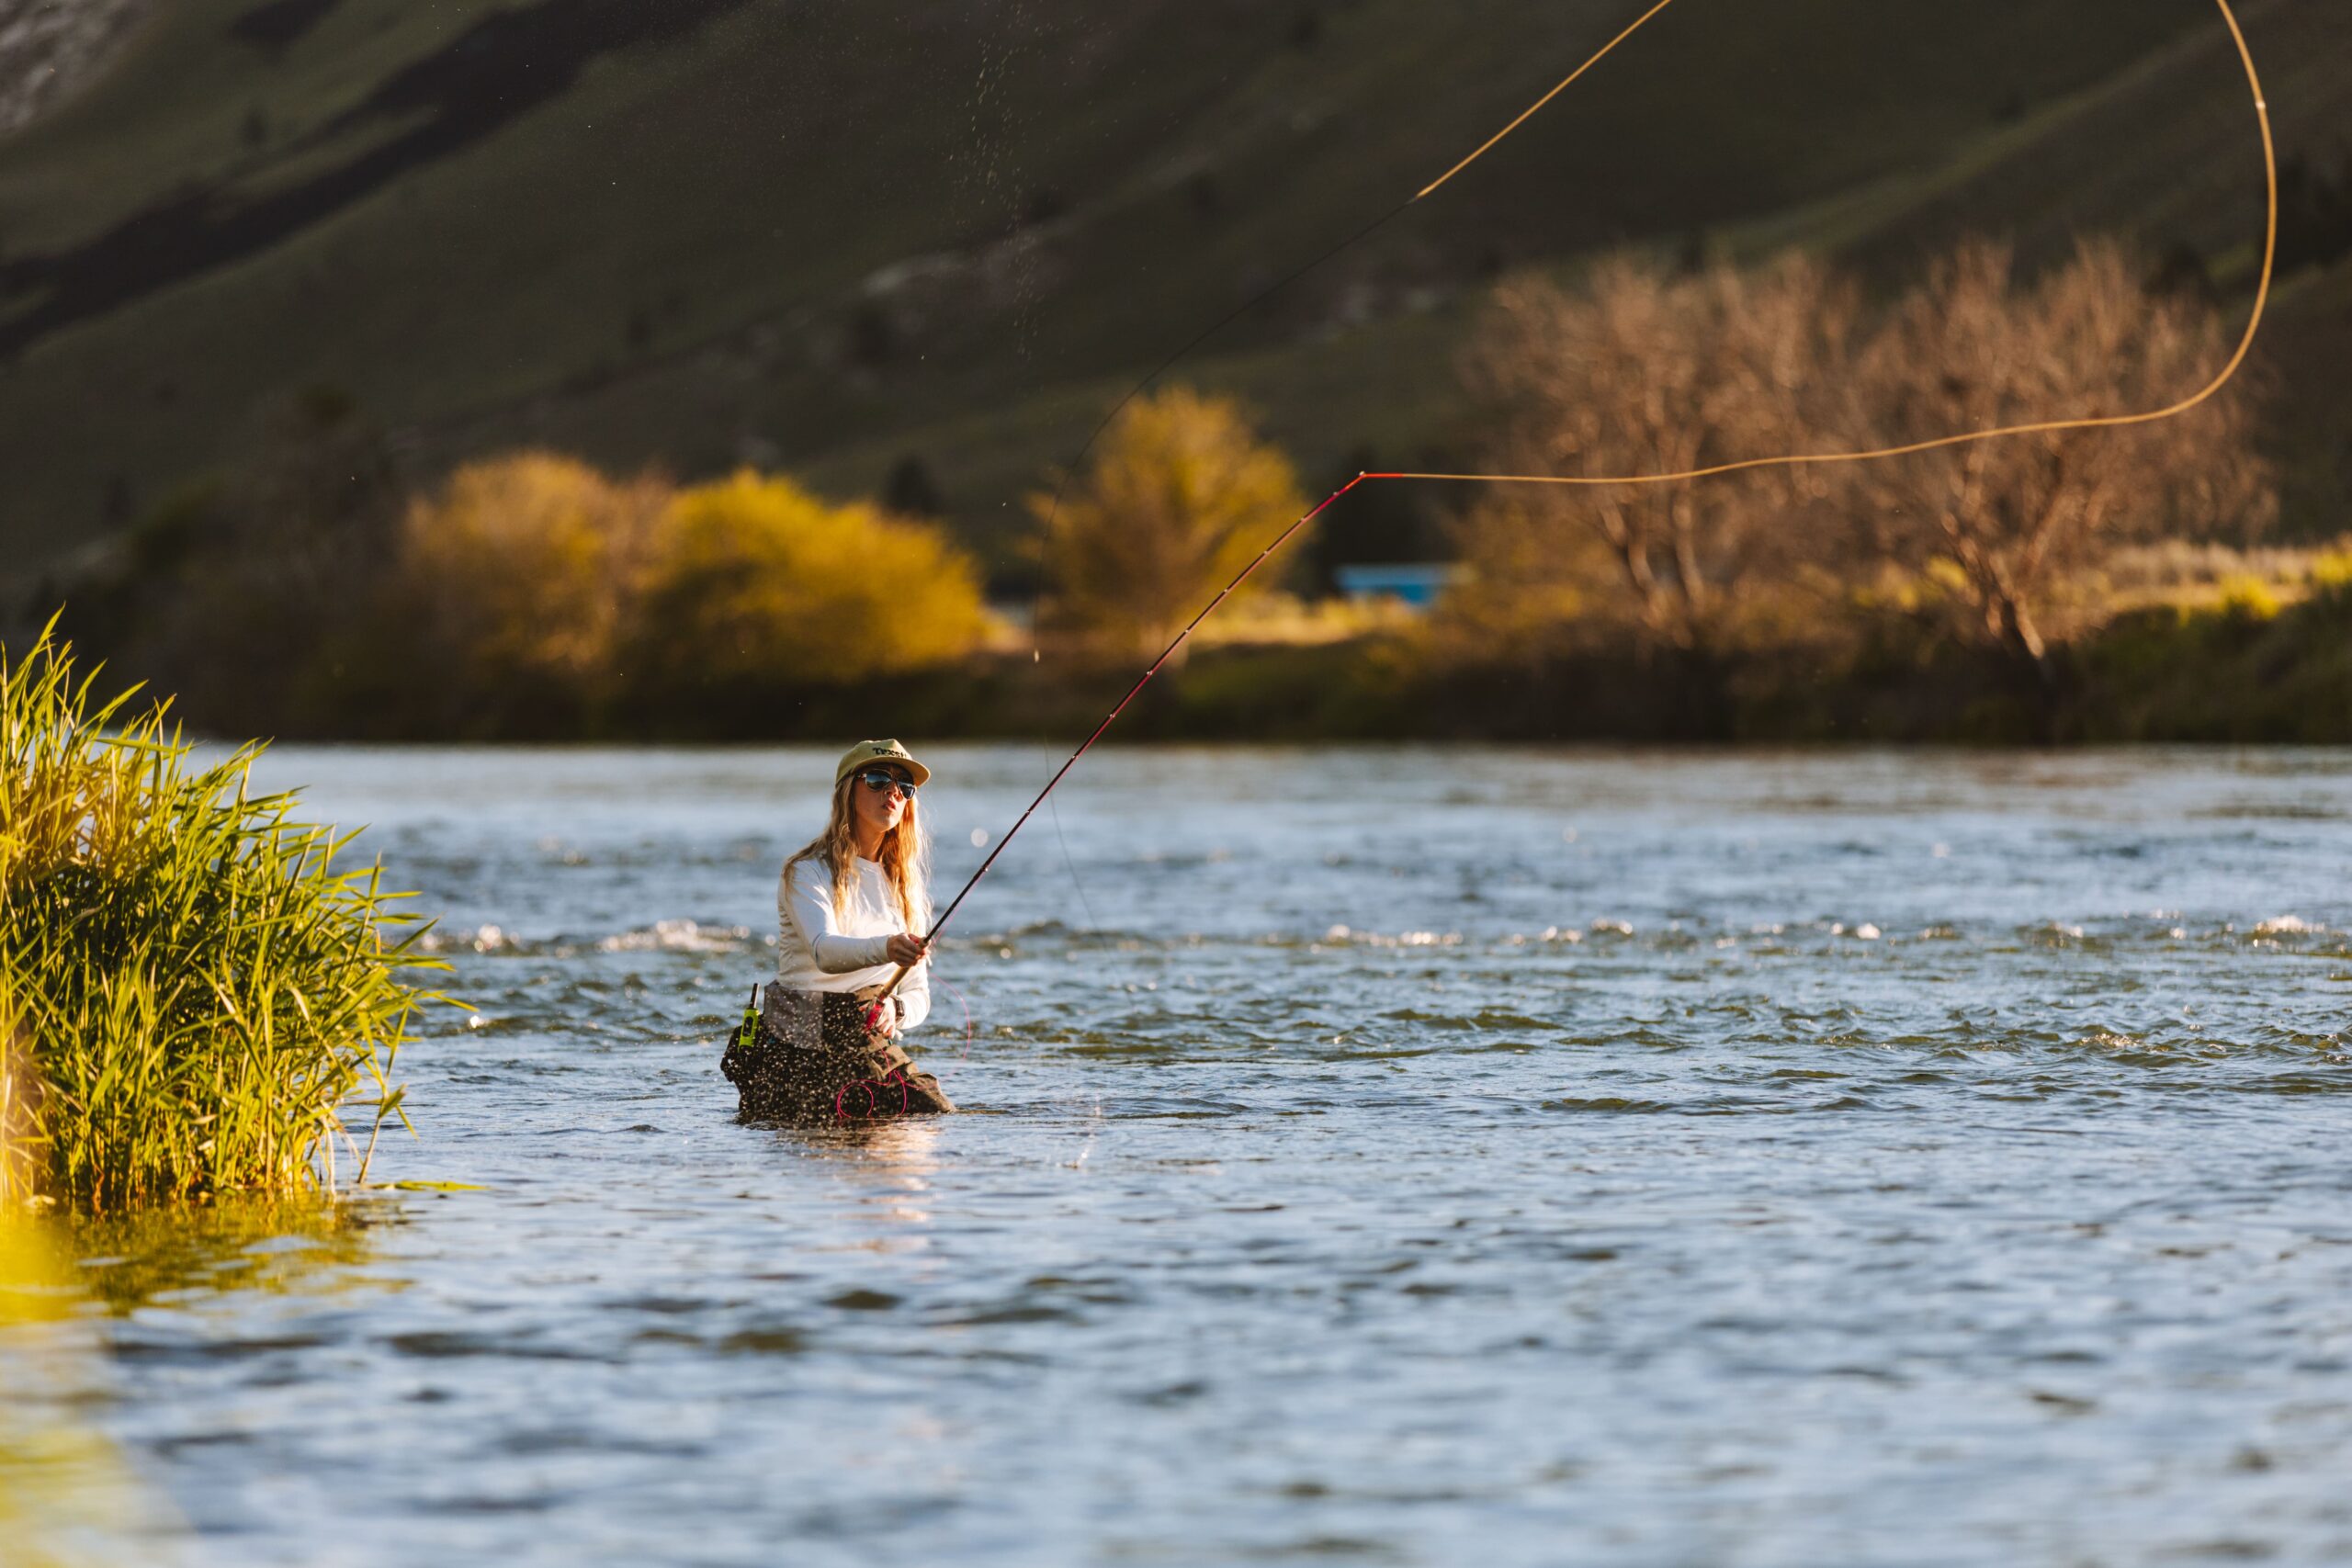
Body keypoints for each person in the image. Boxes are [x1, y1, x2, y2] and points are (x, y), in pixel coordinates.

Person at [722, 739, 956, 1120]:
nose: (893, 791)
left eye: (904, 785)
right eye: (878, 779)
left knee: (932, 1114)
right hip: (798, 1042)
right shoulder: (806, 871)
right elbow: (824, 952)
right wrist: (888, 947)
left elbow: (918, 994)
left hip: (865, 1040)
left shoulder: (906, 888)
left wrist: (896, 1009)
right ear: (848, 791)